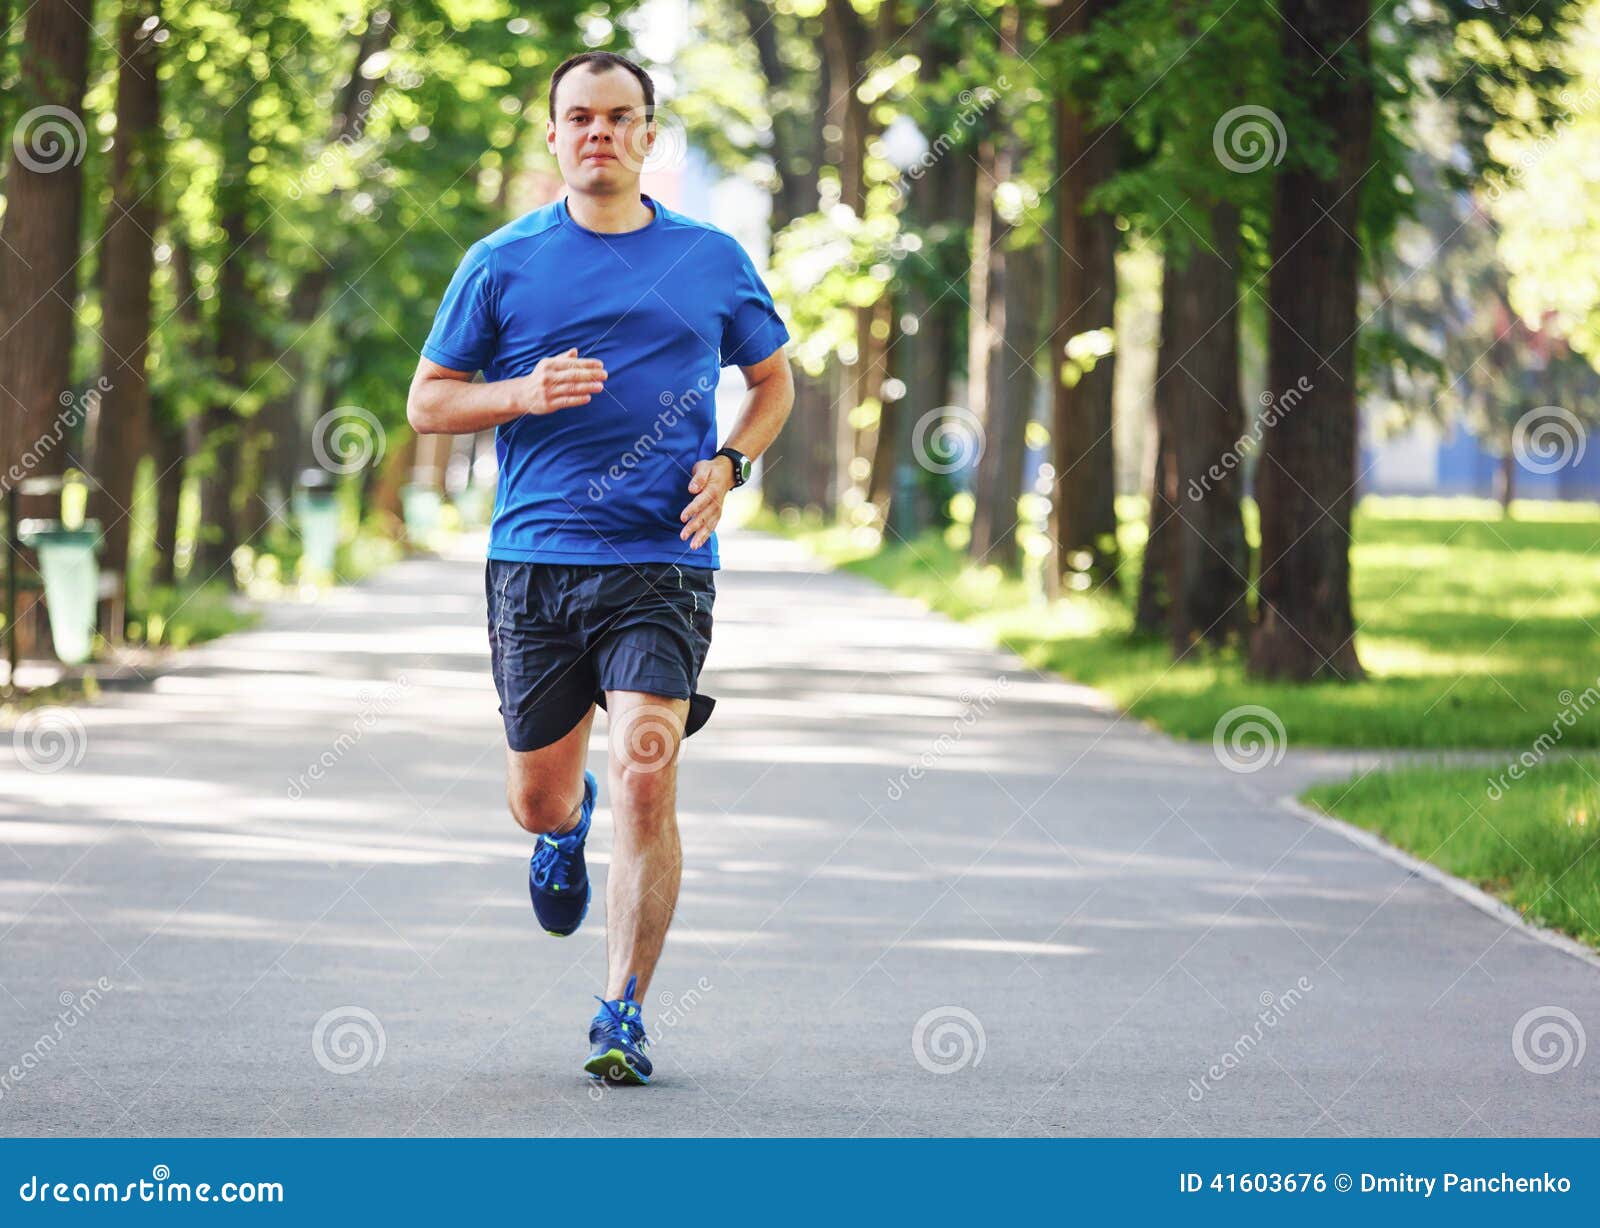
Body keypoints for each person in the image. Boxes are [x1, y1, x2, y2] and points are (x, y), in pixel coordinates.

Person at [407, 50, 793, 1084]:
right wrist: (522, 393)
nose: (599, 134)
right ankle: (561, 824)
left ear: (648, 136)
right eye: (580, 117)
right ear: (553, 135)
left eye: (620, 117)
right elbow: (428, 401)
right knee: (538, 798)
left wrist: (731, 462)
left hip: (663, 558)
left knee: (648, 772)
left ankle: (621, 1010)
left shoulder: (710, 257)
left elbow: (772, 382)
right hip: (535, 561)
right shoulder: (502, 261)